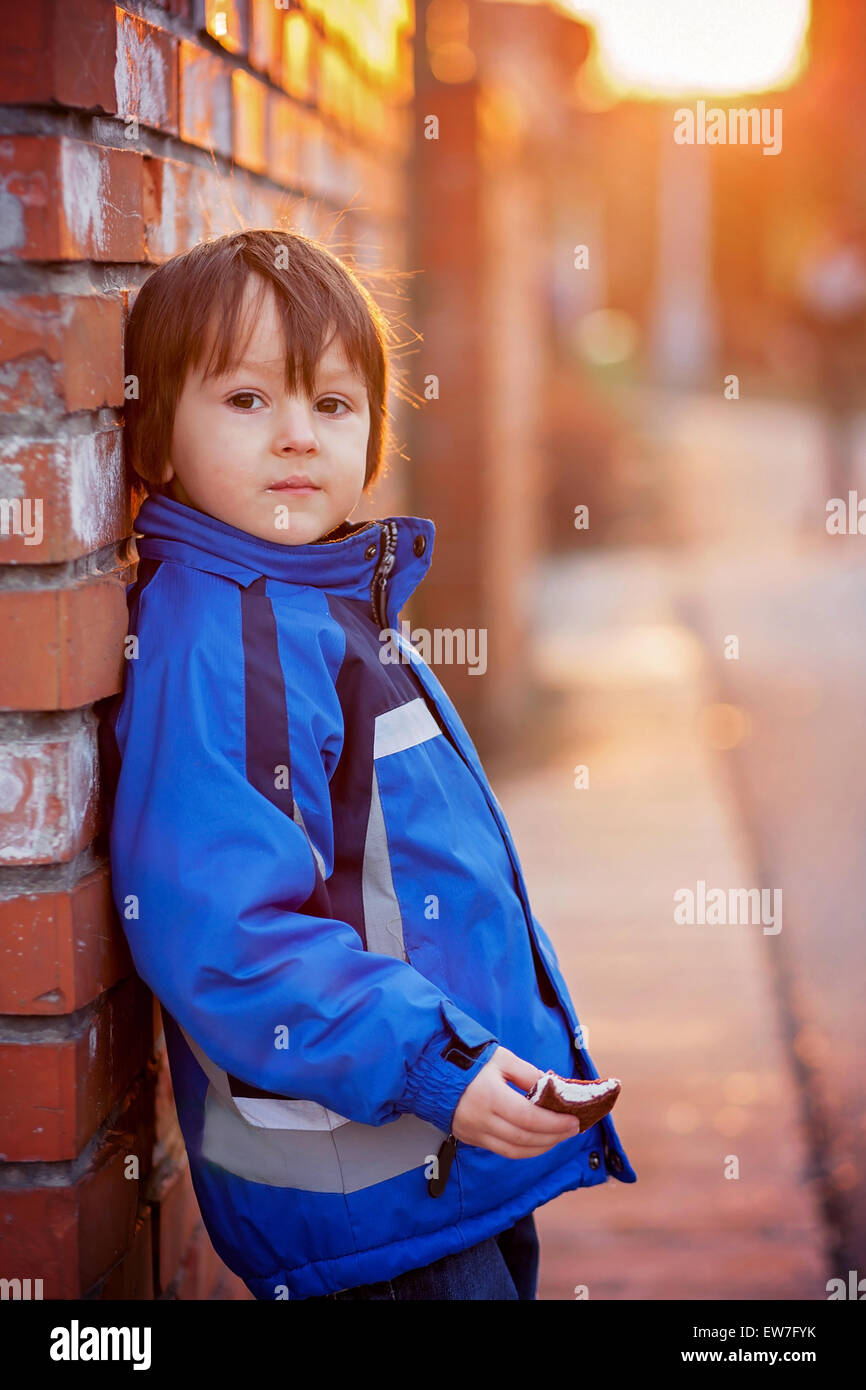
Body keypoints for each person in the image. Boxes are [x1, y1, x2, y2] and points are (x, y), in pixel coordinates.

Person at [100, 227, 636, 1301]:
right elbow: (228, 934)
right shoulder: (225, 637)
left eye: (331, 406)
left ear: (373, 437)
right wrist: (436, 1063)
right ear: (156, 434)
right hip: (369, 1180)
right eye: (247, 401)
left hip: (437, 1151)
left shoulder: (310, 603)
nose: (296, 435)